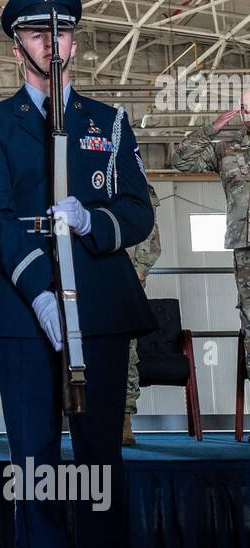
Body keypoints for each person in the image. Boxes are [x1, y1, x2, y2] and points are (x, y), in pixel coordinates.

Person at [0, 0, 155, 548]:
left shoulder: (109, 122)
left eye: (64, 32)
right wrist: (42, 293)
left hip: (100, 310)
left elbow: (138, 210)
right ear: (17, 44)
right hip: (25, 313)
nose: (54, 44)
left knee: (99, 459)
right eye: (40, 33)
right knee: (35, 462)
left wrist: (92, 221)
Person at [172, 106, 250, 359]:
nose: (247, 115)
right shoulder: (226, 149)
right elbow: (181, 161)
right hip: (244, 245)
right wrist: (211, 128)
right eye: (245, 110)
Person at [123, 184, 162, 445]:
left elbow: (151, 236)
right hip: (89, 279)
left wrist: (139, 271)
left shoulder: (137, 184)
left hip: (128, 282)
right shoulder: (83, 177)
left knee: (127, 352)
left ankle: (124, 418)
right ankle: (92, 419)